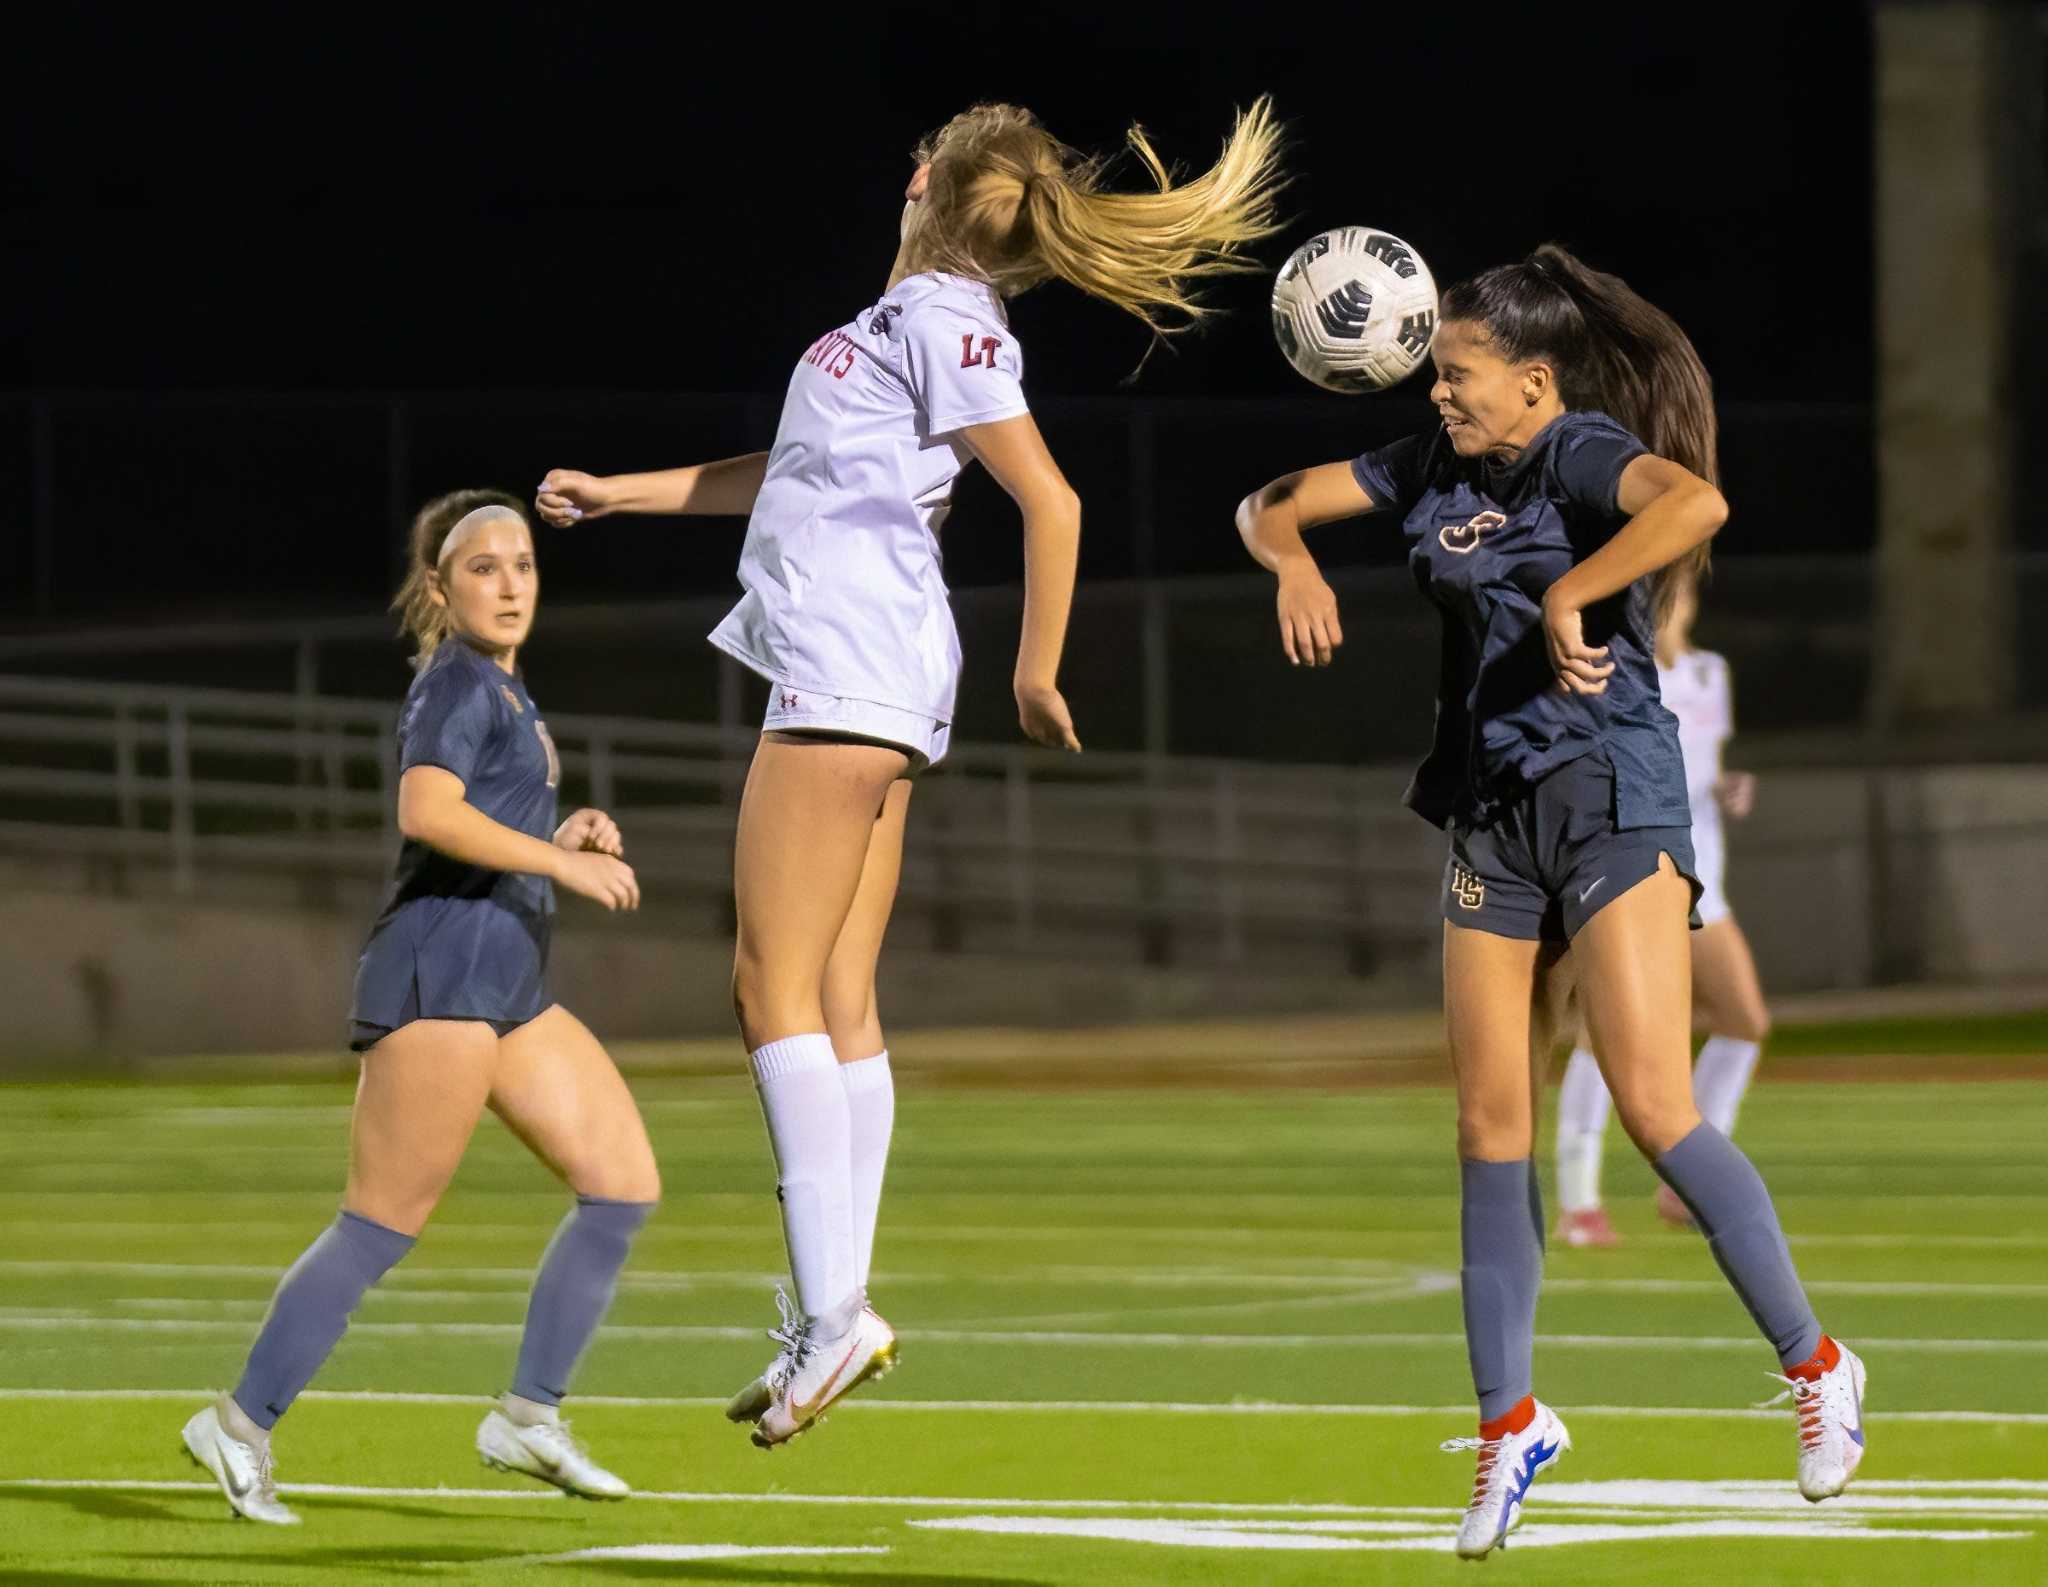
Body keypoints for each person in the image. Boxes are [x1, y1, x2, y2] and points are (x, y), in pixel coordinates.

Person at [536, 98, 1287, 1448]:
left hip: (846, 661)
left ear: (922, 178)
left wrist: (1040, 666)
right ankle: (831, 1309)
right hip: (874, 664)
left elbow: (1049, 498)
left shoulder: (942, 318)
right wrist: (618, 491)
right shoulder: (893, 329)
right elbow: (790, 476)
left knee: (766, 982)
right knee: (836, 990)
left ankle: (832, 1316)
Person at [1234, 245, 1864, 1558]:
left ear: (1531, 382)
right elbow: (1264, 501)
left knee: (1652, 1102)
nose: (1439, 393)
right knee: (1486, 1120)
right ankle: (1510, 1422)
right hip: (1487, 811)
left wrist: (1578, 584)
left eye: (1459, 375)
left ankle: (1816, 1365)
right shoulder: (1428, 466)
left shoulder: (1574, 452)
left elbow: (1694, 502)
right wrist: (1289, 557)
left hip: (1612, 794)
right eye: (1434, 372)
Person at [180, 491, 659, 1523]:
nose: (510, 582)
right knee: (379, 1228)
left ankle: (527, 1417)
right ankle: (239, 1421)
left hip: (508, 987)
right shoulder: (455, 681)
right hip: (438, 976)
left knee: (619, 1186)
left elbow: (488, 817)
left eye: (523, 562)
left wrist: (562, 835)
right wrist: (559, 868)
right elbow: (427, 811)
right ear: (441, 590)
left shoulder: (503, 690)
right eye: (483, 567)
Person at [1554, 571, 1772, 1245]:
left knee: (1743, 1019)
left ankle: (1688, 1183)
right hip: (1644, 872)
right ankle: (1578, 1202)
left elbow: (1706, 764)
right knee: (1606, 1031)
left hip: (1707, 874)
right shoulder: (1613, 672)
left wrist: (1728, 788)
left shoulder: (1711, 672)